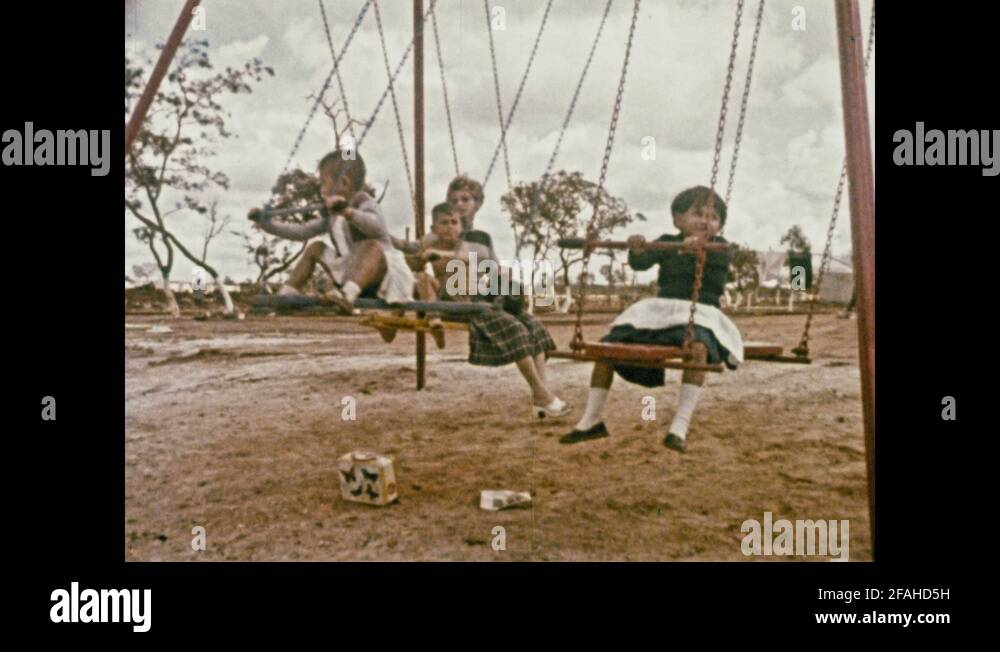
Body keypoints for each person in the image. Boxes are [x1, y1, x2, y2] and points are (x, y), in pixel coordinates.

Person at [560, 186, 744, 452]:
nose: (706, 221)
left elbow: (719, 261)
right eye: (697, 213)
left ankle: (680, 425)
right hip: (661, 311)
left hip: (700, 313)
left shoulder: (721, 248)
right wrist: (637, 248)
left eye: (713, 217)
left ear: (720, 226)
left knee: (697, 347)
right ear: (678, 220)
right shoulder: (667, 241)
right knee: (607, 346)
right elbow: (641, 263)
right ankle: (591, 420)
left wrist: (696, 249)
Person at [425, 175, 568, 419]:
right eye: (454, 200)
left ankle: (541, 394)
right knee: (515, 329)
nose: (459, 205)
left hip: (487, 295)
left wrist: (509, 282)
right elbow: (424, 257)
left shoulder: (482, 238)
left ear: (477, 204)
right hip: (459, 299)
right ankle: (542, 395)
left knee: (533, 326)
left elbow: (494, 270)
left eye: (465, 199)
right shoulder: (441, 233)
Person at [249, 150, 414, 314]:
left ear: (344, 183)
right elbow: (301, 231)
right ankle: (288, 294)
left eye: (323, 183)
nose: (321, 189)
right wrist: (267, 224)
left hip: (383, 275)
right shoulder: (332, 215)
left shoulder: (363, 202)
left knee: (373, 247)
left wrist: (348, 212)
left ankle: (347, 295)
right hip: (352, 272)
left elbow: (378, 227)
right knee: (315, 247)